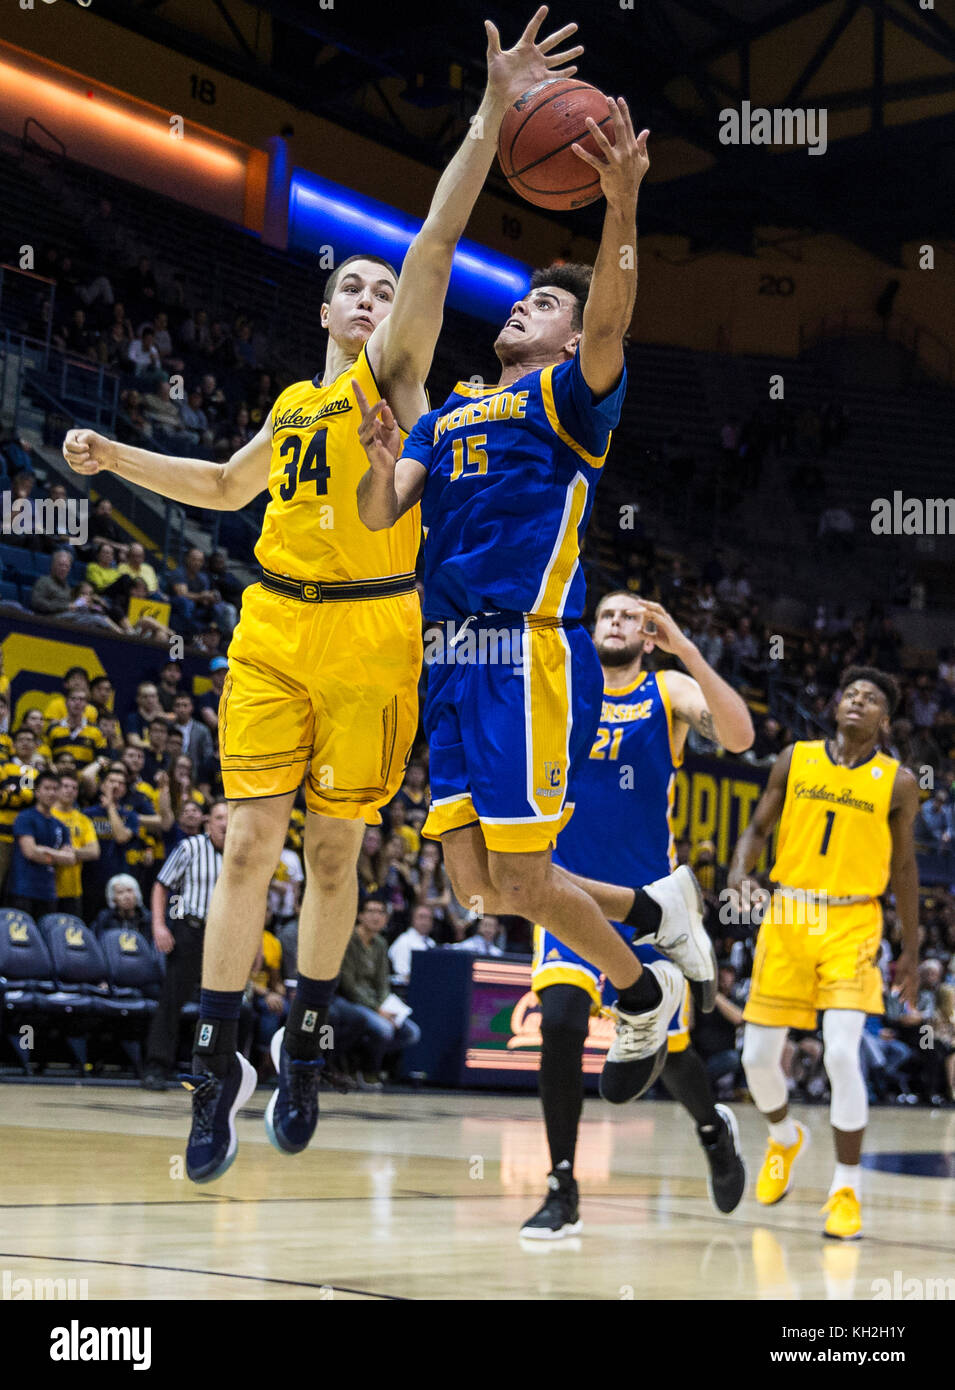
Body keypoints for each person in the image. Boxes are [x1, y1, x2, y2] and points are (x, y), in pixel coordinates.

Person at [64, 7, 591, 1181]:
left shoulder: (397, 373)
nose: (366, 299)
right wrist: (114, 460)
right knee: (247, 843)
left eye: (376, 288)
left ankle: (303, 1039)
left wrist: (491, 115)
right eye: (348, 288)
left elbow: (442, 240)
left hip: (372, 630)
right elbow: (216, 482)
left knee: (339, 854)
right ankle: (213, 1067)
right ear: (318, 311)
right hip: (271, 620)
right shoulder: (293, 409)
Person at [356, 94, 715, 1102]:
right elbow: (386, 513)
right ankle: (651, 916)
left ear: (566, 343)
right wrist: (380, 458)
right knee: (479, 887)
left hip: (520, 650)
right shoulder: (455, 408)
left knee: (520, 877)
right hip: (448, 654)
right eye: (523, 299)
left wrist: (621, 206)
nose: (525, 305)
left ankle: (641, 992)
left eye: (543, 305)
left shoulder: (569, 396)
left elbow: (609, 311)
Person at [521, 592, 753, 1238]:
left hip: (651, 906)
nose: (617, 621)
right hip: (568, 895)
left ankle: (712, 1129)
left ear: (647, 637)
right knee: (561, 1022)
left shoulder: (667, 689)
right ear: (591, 630)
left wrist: (687, 649)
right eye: (606, 614)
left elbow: (738, 737)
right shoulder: (565, 686)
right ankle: (561, 1186)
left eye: (631, 616)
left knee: (669, 1054)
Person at [729, 666, 920, 1240]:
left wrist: (911, 950)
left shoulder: (900, 781)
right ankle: (785, 1138)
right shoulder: (796, 757)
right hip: (789, 913)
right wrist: (740, 872)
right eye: (850, 694)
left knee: (841, 1053)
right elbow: (758, 829)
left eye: (870, 698)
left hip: (854, 918)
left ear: (884, 720)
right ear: (836, 707)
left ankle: (845, 1189)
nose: (857, 701)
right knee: (757, 1061)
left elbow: (906, 867)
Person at [144, 802, 228, 1090]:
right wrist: (159, 925)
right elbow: (161, 884)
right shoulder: (190, 847)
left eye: (230, 818)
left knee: (224, 1003)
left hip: (225, 935)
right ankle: (156, 1066)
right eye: (219, 817)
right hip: (190, 929)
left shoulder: (241, 854)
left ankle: (215, 1067)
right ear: (208, 823)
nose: (225, 823)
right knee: (173, 999)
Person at [334, 896, 421, 1090]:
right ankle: (368, 1070)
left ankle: (359, 1058)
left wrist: (384, 1006)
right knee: (384, 1029)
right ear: (360, 916)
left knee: (411, 1032)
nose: (376, 917)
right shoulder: (348, 940)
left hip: (376, 1003)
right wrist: (377, 1010)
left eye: (381, 912)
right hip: (347, 1000)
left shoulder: (381, 944)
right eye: (371, 911)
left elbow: (383, 983)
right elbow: (349, 985)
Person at [7, 771, 73, 920]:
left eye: (55, 789)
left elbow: (70, 859)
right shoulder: (25, 817)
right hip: (23, 890)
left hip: (49, 892)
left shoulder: (61, 826)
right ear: (37, 791)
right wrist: (57, 856)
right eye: (47, 788)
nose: (52, 793)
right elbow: (30, 852)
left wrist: (44, 851)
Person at [51, 771, 100, 916]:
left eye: (74, 788)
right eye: (65, 786)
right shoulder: (48, 814)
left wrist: (70, 852)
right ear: (56, 789)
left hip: (73, 889)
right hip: (46, 887)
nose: (70, 790)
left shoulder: (83, 819)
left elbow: (94, 852)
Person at [388, 902, 437, 986]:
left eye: (429, 918)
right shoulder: (404, 941)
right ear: (412, 919)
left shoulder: (431, 943)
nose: (425, 921)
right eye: (421, 917)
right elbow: (402, 973)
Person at [91, 873, 151, 939]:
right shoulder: (104, 919)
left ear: (137, 894)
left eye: (129, 890)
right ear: (113, 898)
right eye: (120, 892)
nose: (126, 896)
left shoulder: (147, 918)